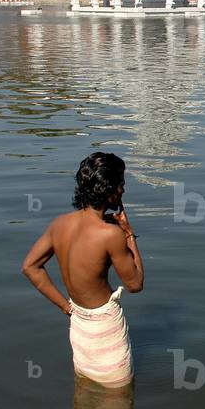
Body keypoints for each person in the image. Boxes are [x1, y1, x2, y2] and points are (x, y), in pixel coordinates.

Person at [22, 152, 144, 388]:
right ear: (109, 191)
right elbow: (135, 284)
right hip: (105, 329)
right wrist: (129, 234)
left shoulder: (59, 224)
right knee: (118, 406)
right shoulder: (111, 234)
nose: (123, 190)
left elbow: (30, 267)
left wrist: (66, 307)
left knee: (85, 396)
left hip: (78, 328)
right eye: (121, 184)